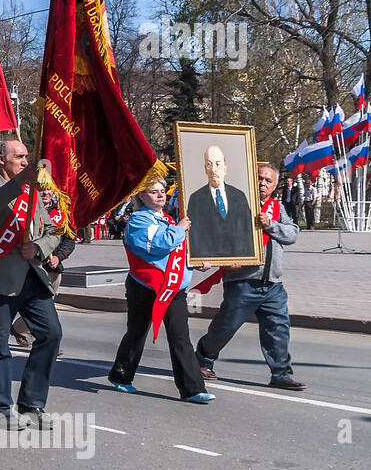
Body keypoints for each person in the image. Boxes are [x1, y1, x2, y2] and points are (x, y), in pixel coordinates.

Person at [0, 139, 64, 429]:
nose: (25, 162)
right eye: (19, 157)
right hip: (0, 281)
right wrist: (23, 181)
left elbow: (52, 230)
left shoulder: (32, 192)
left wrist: (37, 248)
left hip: (32, 278)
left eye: (27, 157)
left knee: (51, 335)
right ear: (1, 159)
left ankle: (31, 403)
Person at [196, 164, 304, 390]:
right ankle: (203, 360)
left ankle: (281, 374)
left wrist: (270, 225)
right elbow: (217, 234)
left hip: (272, 284)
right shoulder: (235, 203)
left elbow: (292, 233)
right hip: (242, 280)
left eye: (268, 180)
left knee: (278, 329)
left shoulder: (276, 207)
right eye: (259, 178)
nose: (263, 183)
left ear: (275, 186)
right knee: (226, 325)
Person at [107, 178, 214, 404]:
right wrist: (180, 229)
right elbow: (158, 244)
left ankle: (192, 388)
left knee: (180, 337)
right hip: (145, 286)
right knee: (137, 333)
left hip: (173, 287)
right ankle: (121, 375)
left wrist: (196, 262)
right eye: (153, 192)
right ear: (141, 197)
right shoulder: (137, 221)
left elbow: (177, 253)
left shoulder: (168, 220)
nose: (160, 195)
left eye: (163, 191)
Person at [12, 189, 76, 348]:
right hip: (29, 267)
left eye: (49, 190)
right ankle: (46, 342)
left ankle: (19, 329)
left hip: (51, 269)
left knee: (46, 307)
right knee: (34, 306)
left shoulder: (61, 213)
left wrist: (58, 257)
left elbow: (69, 241)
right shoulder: (25, 209)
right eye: (41, 190)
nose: (46, 193)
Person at [186, 144, 254, 259]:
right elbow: (194, 236)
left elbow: (247, 232)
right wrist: (200, 260)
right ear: (205, 169)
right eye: (209, 164)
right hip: (208, 262)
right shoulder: (195, 199)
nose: (213, 169)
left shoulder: (239, 196)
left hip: (238, 262)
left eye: (218, 164)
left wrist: (246, 259)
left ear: (225, 167)